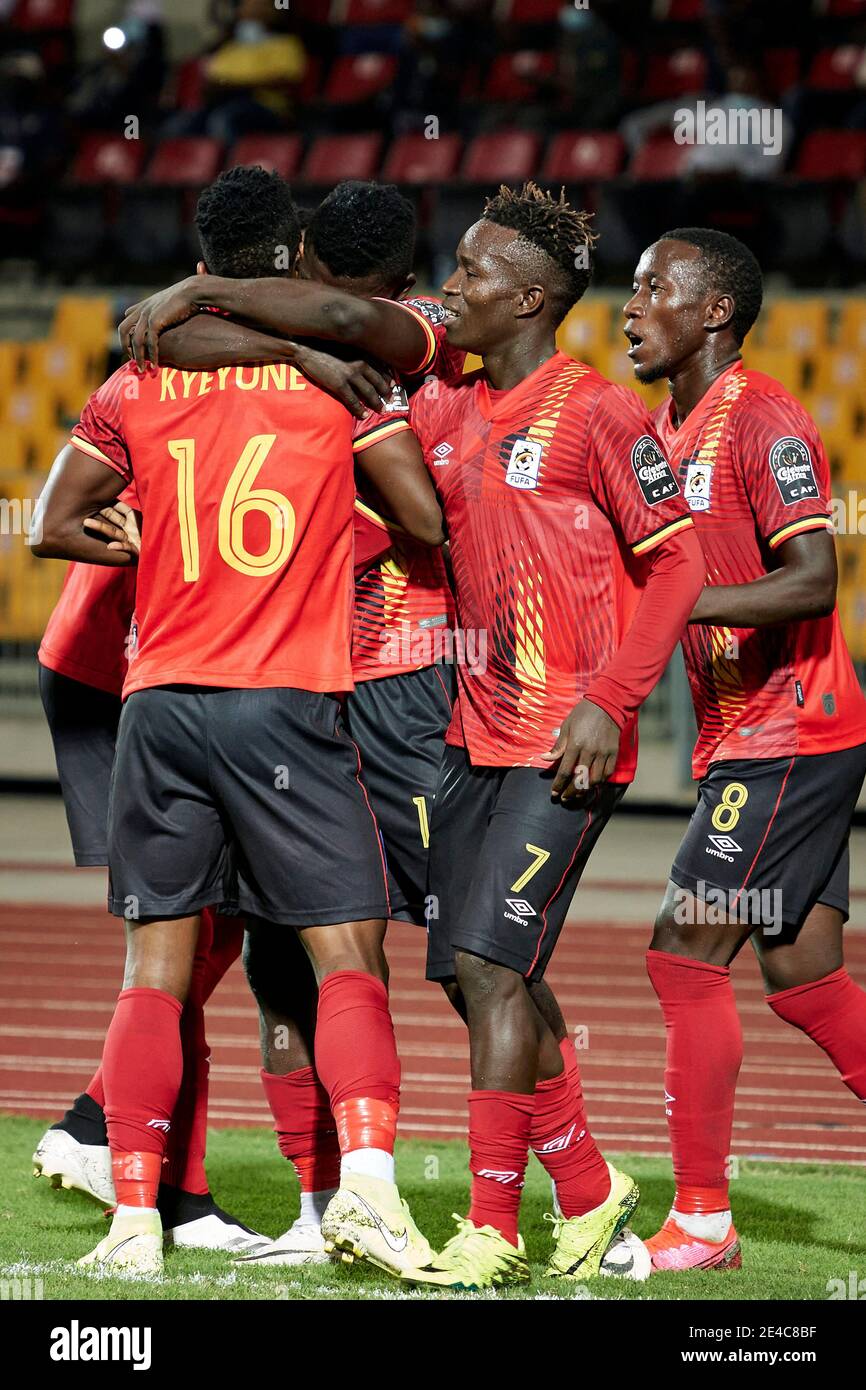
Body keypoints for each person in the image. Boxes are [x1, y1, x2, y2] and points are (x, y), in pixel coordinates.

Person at [115, 180, 706, 1289]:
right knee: (389, 964)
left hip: (478, 714)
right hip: (385, 715)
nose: (450, 284)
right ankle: (465, 1195)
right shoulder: (445, 391)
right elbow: (285, 346)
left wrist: (612, 697)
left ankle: (537, 1205)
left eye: (473, 271)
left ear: (524, 294)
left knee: (479, 960)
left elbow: (671, 559)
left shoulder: (536, 392)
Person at [30, 165, 446, 1278]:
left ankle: (129, 1219)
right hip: (285, 700)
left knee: (154, 972)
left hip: (155, 697)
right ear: (293, 257)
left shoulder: (140, 378)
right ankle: (363, 1190)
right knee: (346, 956)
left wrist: (139, 541)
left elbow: (50, 522)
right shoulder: (336, 385)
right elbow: (423, 519)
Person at [624, 227, 866, 1273]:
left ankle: (703, 1221)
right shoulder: (658, 427)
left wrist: (674, 605)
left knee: (681, 957)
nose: (628, 306)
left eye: (650, 289)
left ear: (712, 310)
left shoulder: (761, 418)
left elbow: (810, 577)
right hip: (761, 735)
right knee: (804, 973)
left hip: (788, 732)